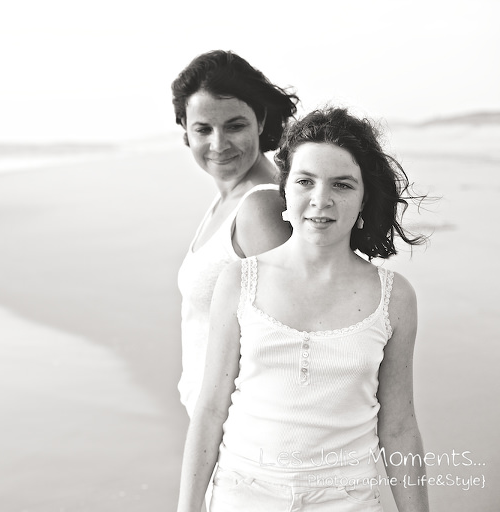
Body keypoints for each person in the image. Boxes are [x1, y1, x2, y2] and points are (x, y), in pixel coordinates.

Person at [177, 107, 430, 511]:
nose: (320, 200)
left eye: (342, 185)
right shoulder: (240, 280)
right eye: (305, 181)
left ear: (364, 199)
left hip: (347, 501)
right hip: (242, 494)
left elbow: (398, 426)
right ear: (286, 191)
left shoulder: (394, 298)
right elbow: (210, 410)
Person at [172, 50, 299, 417]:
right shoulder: (229, 196)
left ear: (260, 120)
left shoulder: (261, 209)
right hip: (218, 429)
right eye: (203, 129)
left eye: (234, 125)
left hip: (243, 436)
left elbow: (295, 343)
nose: (218, 144)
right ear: (185, 130)